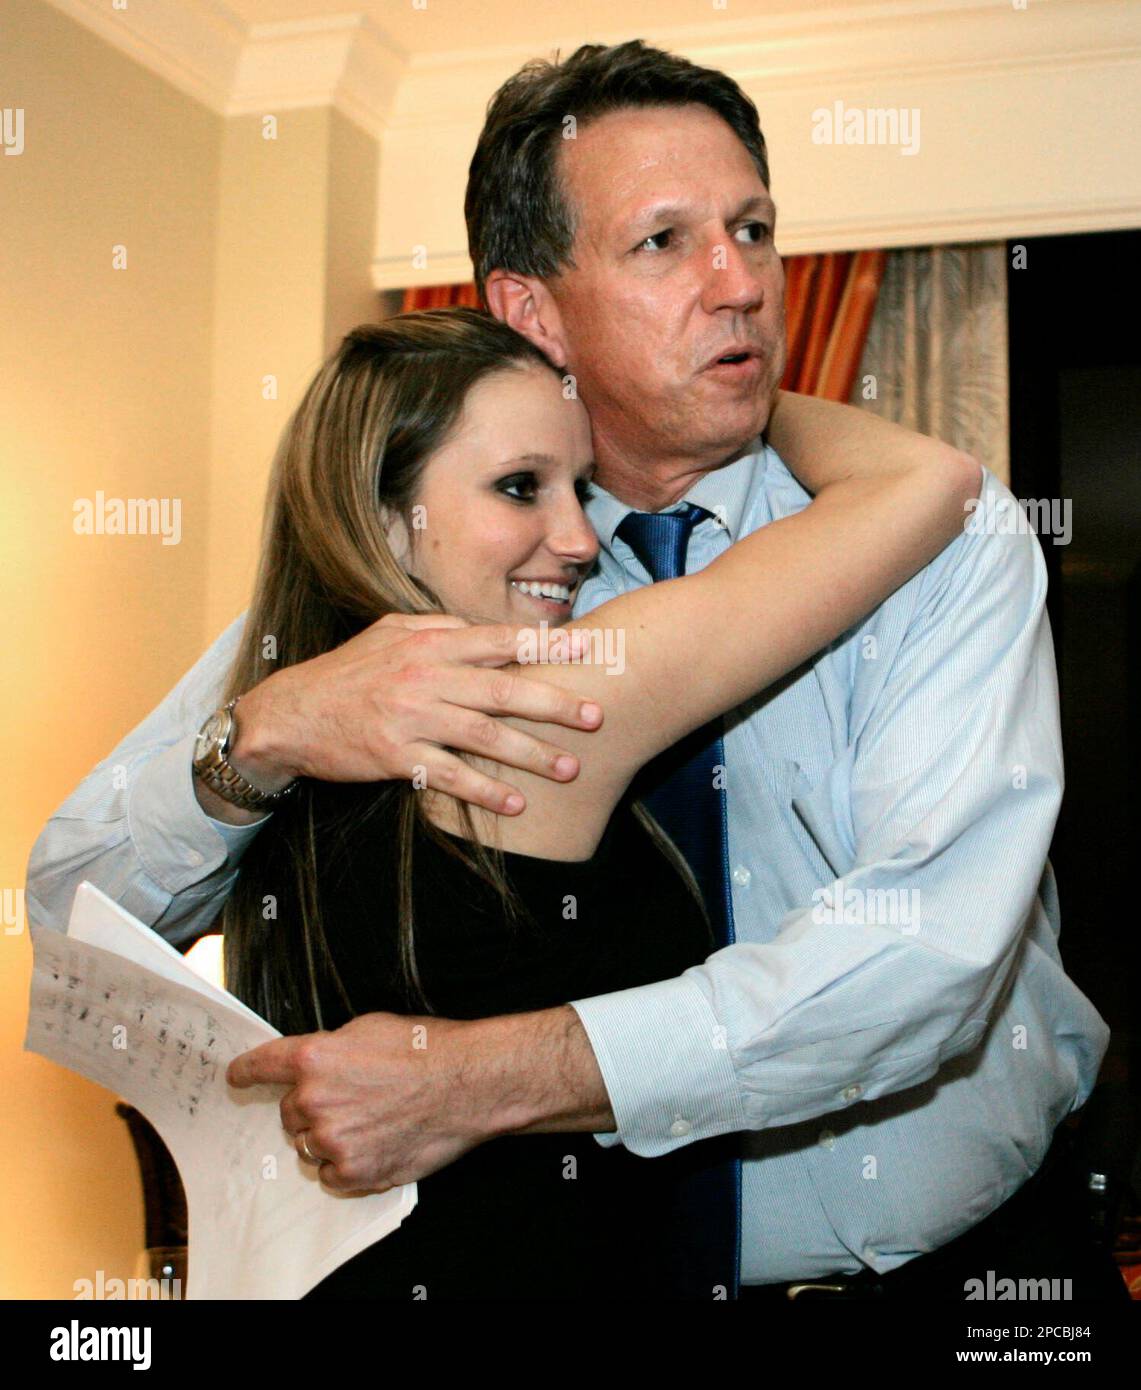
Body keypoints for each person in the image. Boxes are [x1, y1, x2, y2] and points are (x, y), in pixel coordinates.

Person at [27, 40, 1118, 1302]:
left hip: (961, 1275)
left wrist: (482, 1077)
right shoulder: (410, 571)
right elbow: (77, 925)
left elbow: (923, 961)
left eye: (753, 229)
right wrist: (253, 740)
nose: (741, 283)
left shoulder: (937, 552)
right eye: (664, 242)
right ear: (531, 311)